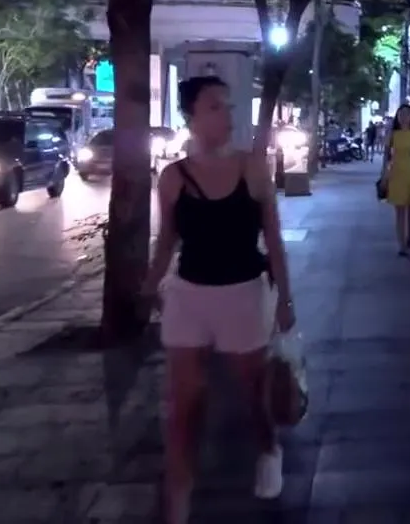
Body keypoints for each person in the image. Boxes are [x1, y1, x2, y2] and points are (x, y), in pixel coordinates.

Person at [140, 75, 296, 524]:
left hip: (243, 293)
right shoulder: (173, 177)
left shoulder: (252, 168)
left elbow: (274, 238)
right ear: (191, 117)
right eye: (214, 106)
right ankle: (179, 498)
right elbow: (167, 240)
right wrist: (150, 287)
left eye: (228, 106)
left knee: (252, 392)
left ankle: (268, 447)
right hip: (188, 295)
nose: (226, 115)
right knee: (183, 404)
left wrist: (285, 299)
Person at [381, 104, 410, 255]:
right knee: (399, 210)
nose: (404, 117)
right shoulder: (393, 134)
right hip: (397, 173)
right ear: (397, 117)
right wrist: (384, 174)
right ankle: (401, 244)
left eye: (406, 114)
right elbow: (386, 156)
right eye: (401, 114)